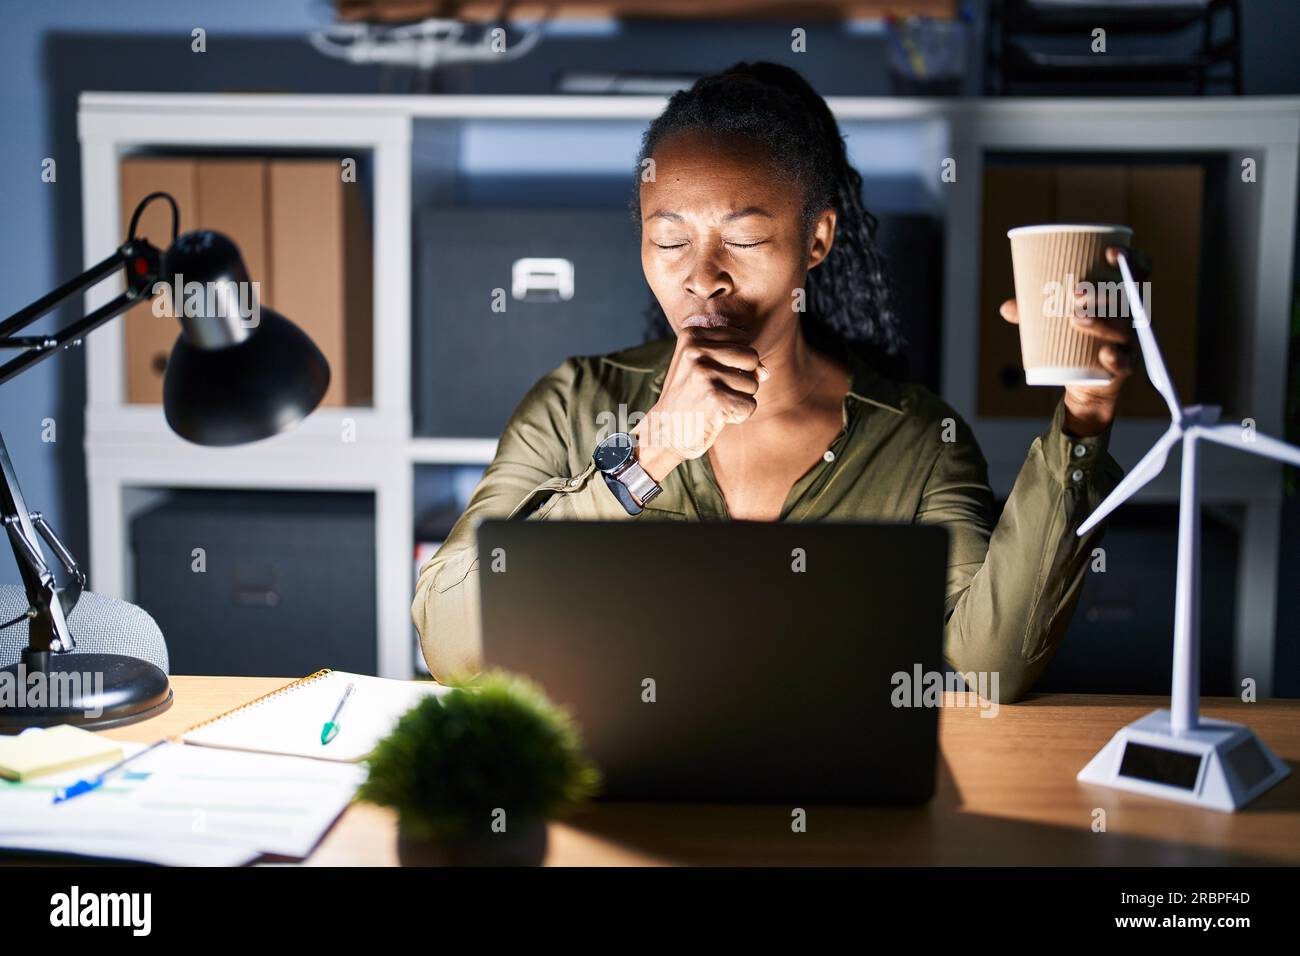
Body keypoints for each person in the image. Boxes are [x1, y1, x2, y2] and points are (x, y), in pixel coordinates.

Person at [413, 61, 1144, 701]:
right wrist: (646, 459)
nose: (702, 275)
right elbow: (448, 645)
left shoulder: (916, 438)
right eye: (669, 238)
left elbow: (992, 665)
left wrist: (1085, 413)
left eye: (745, 237)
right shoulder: (574, 404)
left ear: (816, 239)